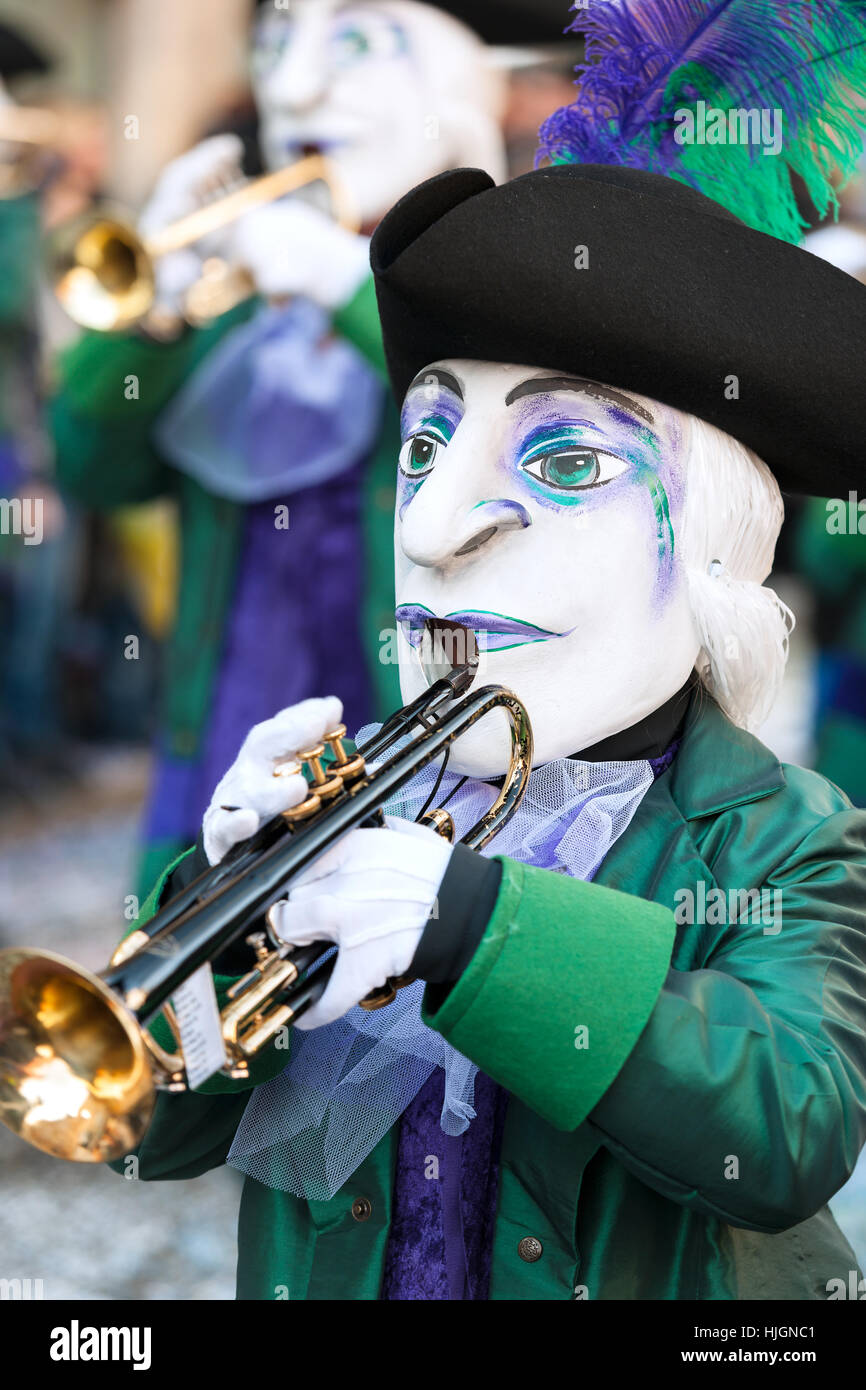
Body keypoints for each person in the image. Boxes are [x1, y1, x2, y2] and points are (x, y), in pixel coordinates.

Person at [115, 0, 866, 1300]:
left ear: (712, 552)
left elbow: (783, 1129)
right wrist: (214, 905)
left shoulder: (786, 839)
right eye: (420, 445)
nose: (435, 523)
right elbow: (148, 1133)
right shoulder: (357, 794)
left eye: (565, 460)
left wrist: (472, 920)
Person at [49, 0, 506, 894]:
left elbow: (485, 442)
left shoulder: (487, 286)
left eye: (355, 46)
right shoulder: (240, 305)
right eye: (275, 46)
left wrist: (348, 289)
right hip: (224, 729)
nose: (295, 86)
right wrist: (160, 314)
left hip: (410, 737)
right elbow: (93, 471)